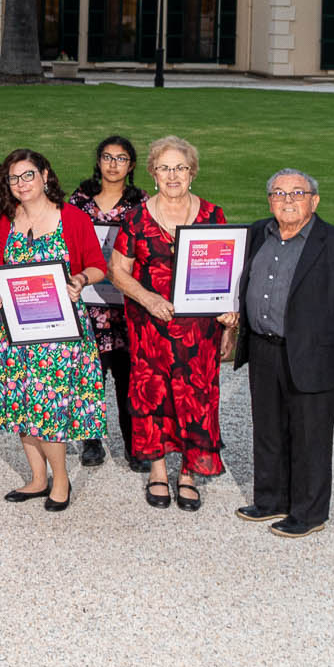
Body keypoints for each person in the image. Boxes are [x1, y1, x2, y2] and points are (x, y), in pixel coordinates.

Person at [231, 170, 334, 539]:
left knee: (310, 436)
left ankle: (308, 512)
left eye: (297, 193)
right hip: (263, 347)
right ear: (269, 200)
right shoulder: (258, 234)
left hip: (315, 354)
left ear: (315, 200)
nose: (287, 200)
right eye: (278, 193)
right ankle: (271, 498)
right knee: (268, 429)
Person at [0, 149, 108, 512]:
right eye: (14, 178)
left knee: (48, 408)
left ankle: (60, 479)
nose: (21, 184)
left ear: (45, 175)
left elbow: (98, 265)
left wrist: (81, 279)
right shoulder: (5, 220)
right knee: (22, 404)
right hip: (14, 330)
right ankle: (37, 478)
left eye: (28, 175)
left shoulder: (73, 219)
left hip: (59, 332)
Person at [108, 135, 233, 512]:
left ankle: (189, 473)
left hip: (200, 332)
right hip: (150, 327)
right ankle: (158, 470)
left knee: (196, 398)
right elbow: (118, 272)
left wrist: (231, 324)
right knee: (153, 396)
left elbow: (228, 273)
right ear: (152, 173)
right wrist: (148, 298)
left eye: (180, 167)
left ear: (192, 173)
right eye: (165, 168)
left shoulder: (213, 215)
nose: (173, 175)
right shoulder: (136, 218)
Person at [69, 136, 146, 471]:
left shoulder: (141, 203)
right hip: (88, 305)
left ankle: (135, 445)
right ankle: (92, 442)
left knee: (129, 381)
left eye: (121, 158)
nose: (113, 164)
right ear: (98, 161)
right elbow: (68, 244)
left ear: (131, 166)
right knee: (89, 378)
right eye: (107, 157)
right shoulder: (80, 201)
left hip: (127, 305)